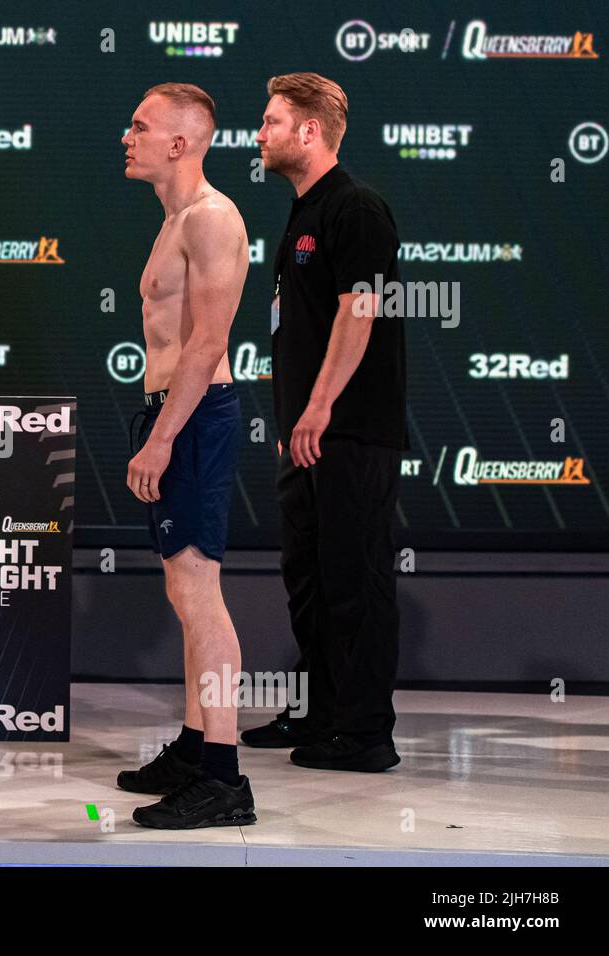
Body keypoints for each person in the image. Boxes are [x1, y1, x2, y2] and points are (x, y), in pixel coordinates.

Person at [243, 72, 405, 773]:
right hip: (306, 433)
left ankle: (366, 733)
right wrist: (295, 417)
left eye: (272, 121)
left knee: (353, 578)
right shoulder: (301, 213)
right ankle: (319, 713)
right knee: (308, 578)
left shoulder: (356, 208)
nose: (260, 133)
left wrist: (319, 406)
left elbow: (359, 311)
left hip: (348, 431)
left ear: (309, 131)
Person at [115, 85, 256, 829]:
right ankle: (200, 746)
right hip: (177, 412)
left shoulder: (211, 218)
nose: (127, 135)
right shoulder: (175, 218)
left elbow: (207, 344)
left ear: (181, 142)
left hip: (195, 417)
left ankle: (226, 779)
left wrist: (162, 438)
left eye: (141, 125)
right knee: (184, 590)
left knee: (200, 591)